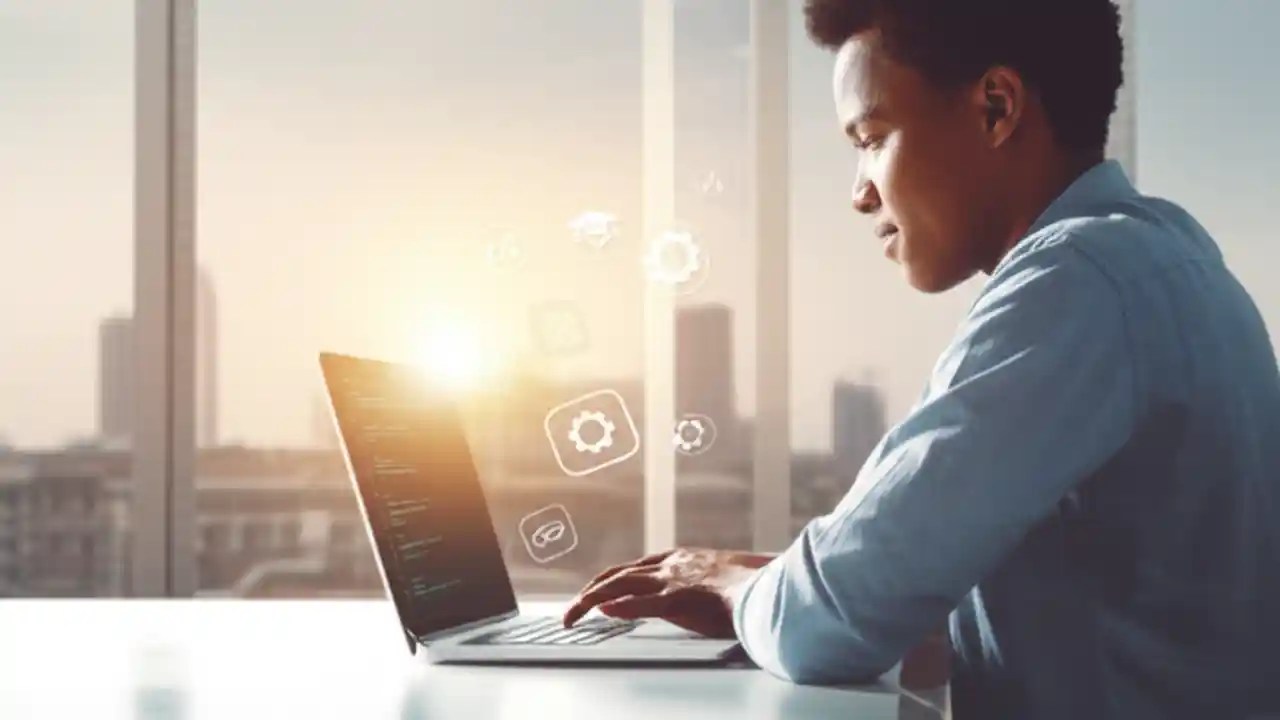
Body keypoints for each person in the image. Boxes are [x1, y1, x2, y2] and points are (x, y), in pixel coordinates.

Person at [562, 1, 1280, 718]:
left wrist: (737, 587)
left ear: (996, 108)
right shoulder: (1166, 255)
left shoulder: (1076, 284)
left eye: (872, 137)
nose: (859, 191)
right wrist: (779, 578)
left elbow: (826, 623)